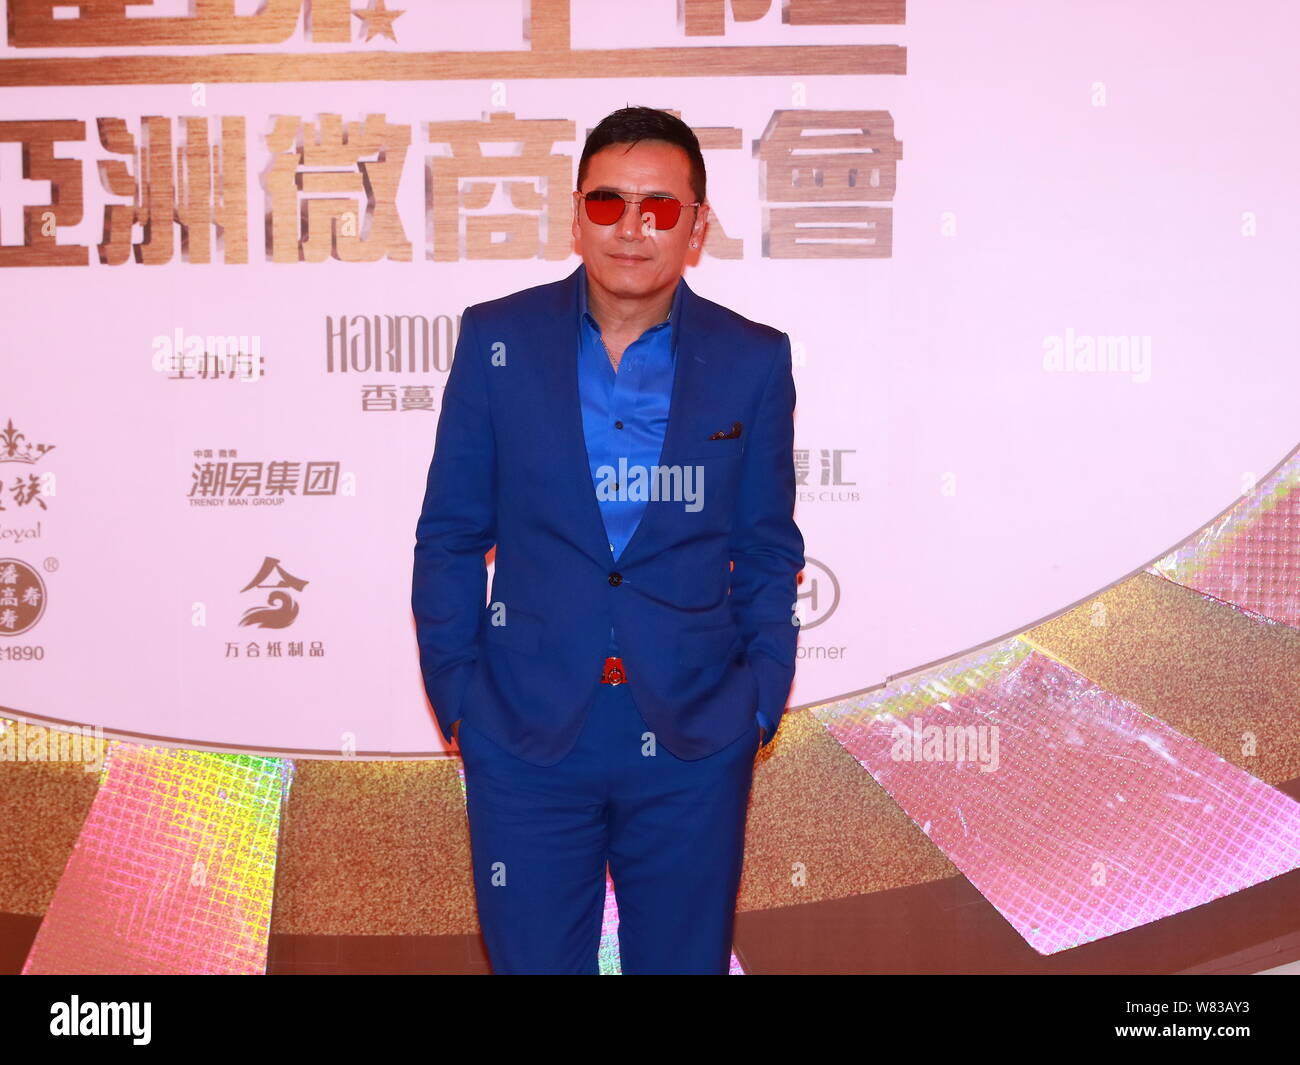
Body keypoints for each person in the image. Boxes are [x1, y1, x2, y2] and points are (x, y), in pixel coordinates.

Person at [412, 106, 804, 974]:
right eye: (609, 201)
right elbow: (448, 536)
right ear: (576, 212)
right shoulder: (496, 340)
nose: (633, 226)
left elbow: (769, 549)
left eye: (661, 207)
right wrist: (463, 702)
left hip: (694, 740)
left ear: (697, 226)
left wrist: (758, 699)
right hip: (525, 736)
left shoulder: (752, 359)